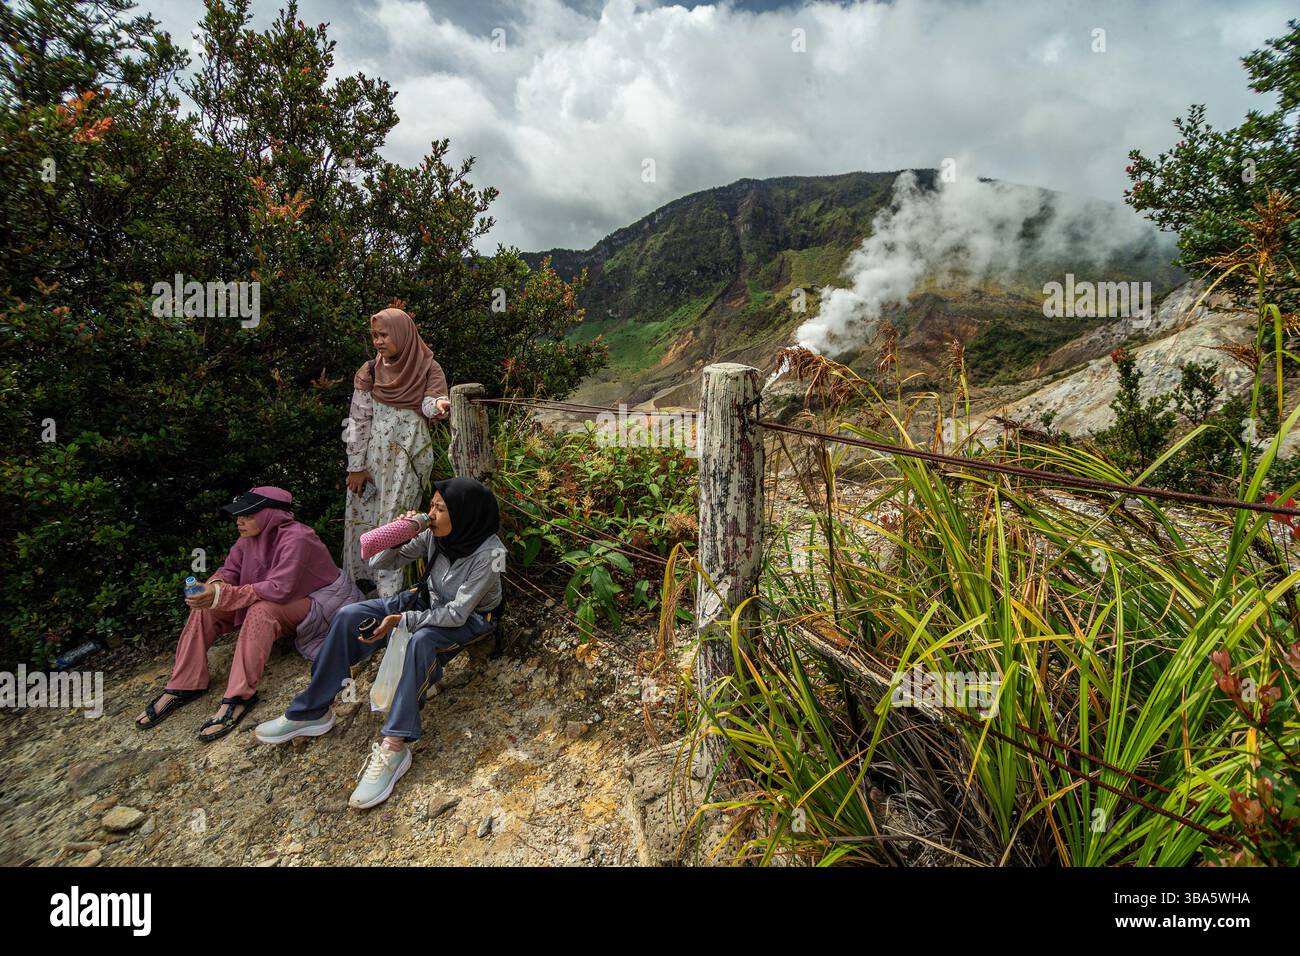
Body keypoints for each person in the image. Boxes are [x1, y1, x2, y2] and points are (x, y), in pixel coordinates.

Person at [255, 477, 505, 809]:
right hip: (424, 601)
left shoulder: (491, 553)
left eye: (440, 508)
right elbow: (378, 564)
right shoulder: (434, 534)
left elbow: (458, 614)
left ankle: (394, 746)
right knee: (348, 615)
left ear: (465, 514)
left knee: (421, 640)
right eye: (431, 505)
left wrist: (402, 621)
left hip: (470, 619)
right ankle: (311, 711)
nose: (431, 513)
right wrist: (401, 533)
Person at [135, 487, 362, 741]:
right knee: (206, 608)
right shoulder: (248, 539)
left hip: (318, 605)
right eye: (238, 515)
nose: (239, 521)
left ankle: (239, 696)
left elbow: (279, 588)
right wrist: (215, 586)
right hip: (277, 599)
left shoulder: (299, 537)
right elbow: (229, 570)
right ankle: (185, 683)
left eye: (248, 515)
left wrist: (221, 595)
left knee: (260, 610)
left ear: (271, 514)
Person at [343, 307, 451, 596]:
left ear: (402, 334)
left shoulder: (428, 367)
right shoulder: (370, 370)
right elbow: (358, 420)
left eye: (384, 334)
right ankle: (360, 591)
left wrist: (439, 407)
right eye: (374, 336)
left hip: (408, 458)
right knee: (363, 522)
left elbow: (429, 403)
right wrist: (355, 466)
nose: (378, 341)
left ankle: (388, 597)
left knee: (395, 524)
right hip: (371, 461)